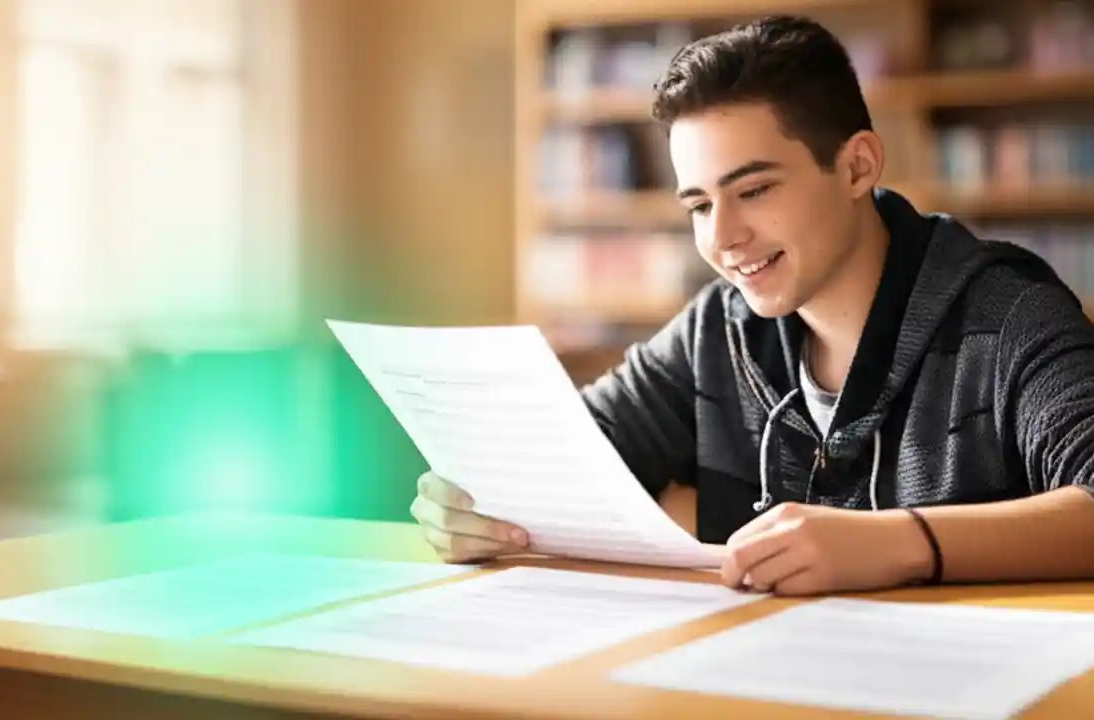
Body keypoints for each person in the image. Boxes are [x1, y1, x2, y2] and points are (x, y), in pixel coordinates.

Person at [408, 15, 1094, 596]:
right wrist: (476, 504)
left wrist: (900, 542)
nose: (722, 238)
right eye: (700, 205)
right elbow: (566, 462)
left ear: (857, 166)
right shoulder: (717, 328)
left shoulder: (1009, 315)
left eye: (755, 190)